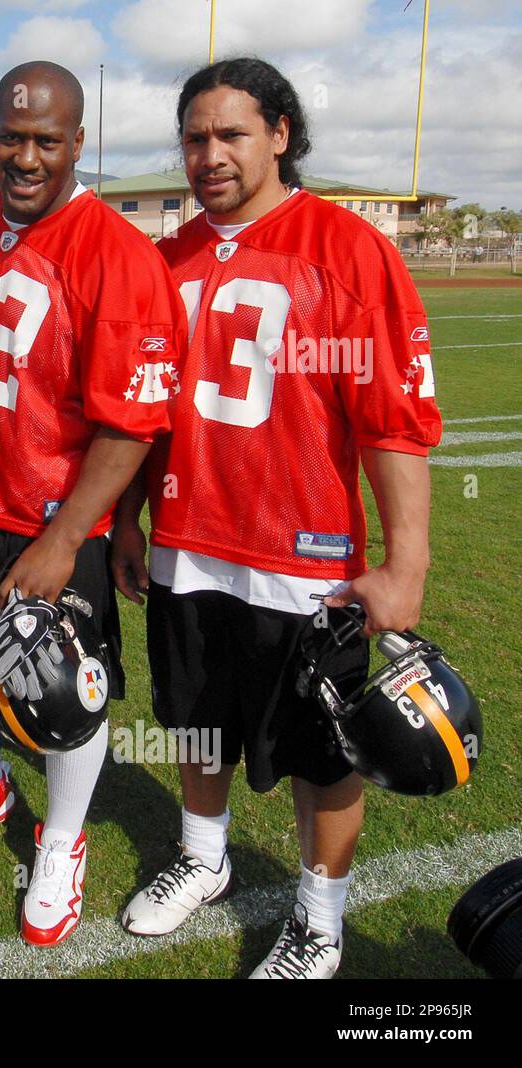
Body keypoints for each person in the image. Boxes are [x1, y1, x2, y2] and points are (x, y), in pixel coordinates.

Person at [111, 57, 442, 978]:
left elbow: (393, 418)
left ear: (282, 135)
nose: (208, 155)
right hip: (188, 543)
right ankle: (204, 857)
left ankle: (319, 918)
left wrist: (405, 562)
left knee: (321, 752)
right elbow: (143, 409)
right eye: (194, 138)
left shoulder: (346, 247)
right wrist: (129, 522)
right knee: (195, 721)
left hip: (306, 555)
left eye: (230, 135)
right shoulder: (164, 260)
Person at [0, 61, 187, 946]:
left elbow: (130, 424)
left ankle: (62, 840)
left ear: (77, 142)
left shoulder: (117, 254)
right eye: (11, 137)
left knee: (60, 691)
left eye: (45, 140)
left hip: (56, 514)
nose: (24, 155)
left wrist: (62, 540)